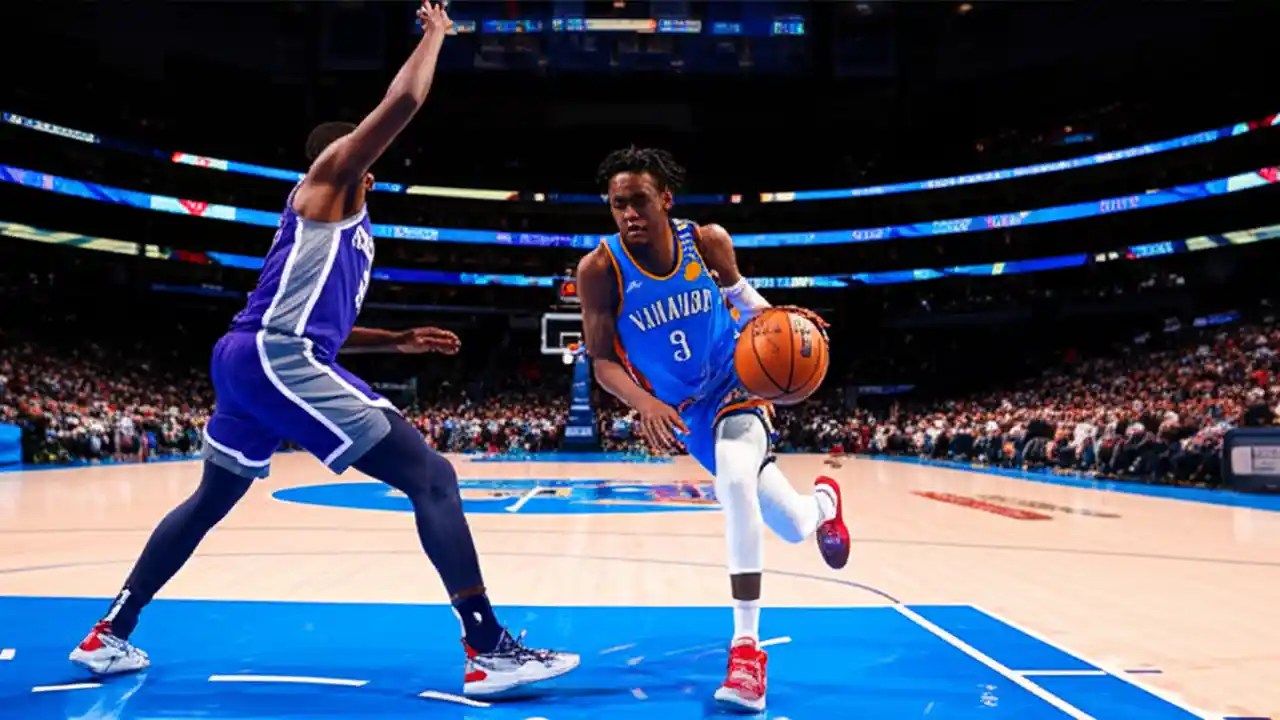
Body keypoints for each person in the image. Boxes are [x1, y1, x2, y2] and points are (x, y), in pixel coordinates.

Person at [68, 1, 578, 698]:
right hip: (275, 356)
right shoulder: (332, 179)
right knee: (432, 476)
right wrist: (436, 34)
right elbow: (402, 103)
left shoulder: (342, 231)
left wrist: (395, 339)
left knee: (211, 499)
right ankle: (489, 649)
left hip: (252, 357)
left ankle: (109, 633)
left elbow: (315, 322)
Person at [575, 146, 851, 712]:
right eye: (618, 204)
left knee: (733, 481)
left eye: (639, 201)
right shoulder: (599, 270)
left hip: (735, 382)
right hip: (688, 410)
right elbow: (601, 361)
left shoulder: (707, 243)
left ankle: (747, 652)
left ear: (666, 199)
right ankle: (824, 504)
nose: (628, 214)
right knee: (792, 524)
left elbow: (747, 306)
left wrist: (786, 327)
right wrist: (644, 402)